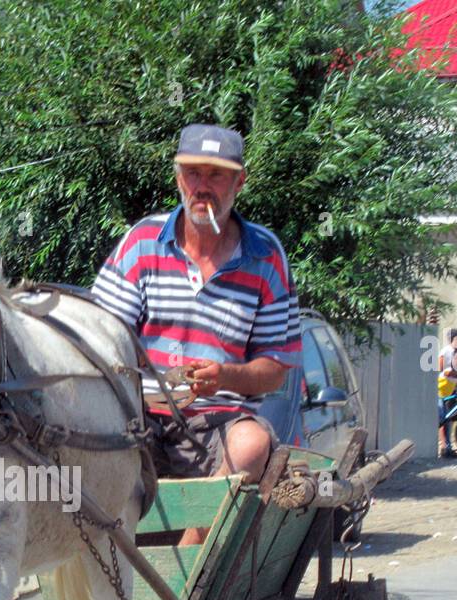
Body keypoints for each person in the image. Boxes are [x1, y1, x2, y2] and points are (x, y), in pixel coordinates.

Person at [92, 123, 301, 543]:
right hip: (137, 416)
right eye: (193, 174)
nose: (202, 187)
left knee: (252, 445)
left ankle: (186, 571)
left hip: (216, 421)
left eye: (216, 175)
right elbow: (100, 333)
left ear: (239, 182)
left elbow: (275, 368)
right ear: (177, 178)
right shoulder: (142, 243)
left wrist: (224, 376)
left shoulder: (265, 256)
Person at [438, 327, 457, 458]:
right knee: (444, 418)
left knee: (450, 418)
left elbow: (455, 370)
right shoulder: (446, 351)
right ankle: (444, 447)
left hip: (452, 387)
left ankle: (448, 446)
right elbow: (442, 371)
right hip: (444, 388)